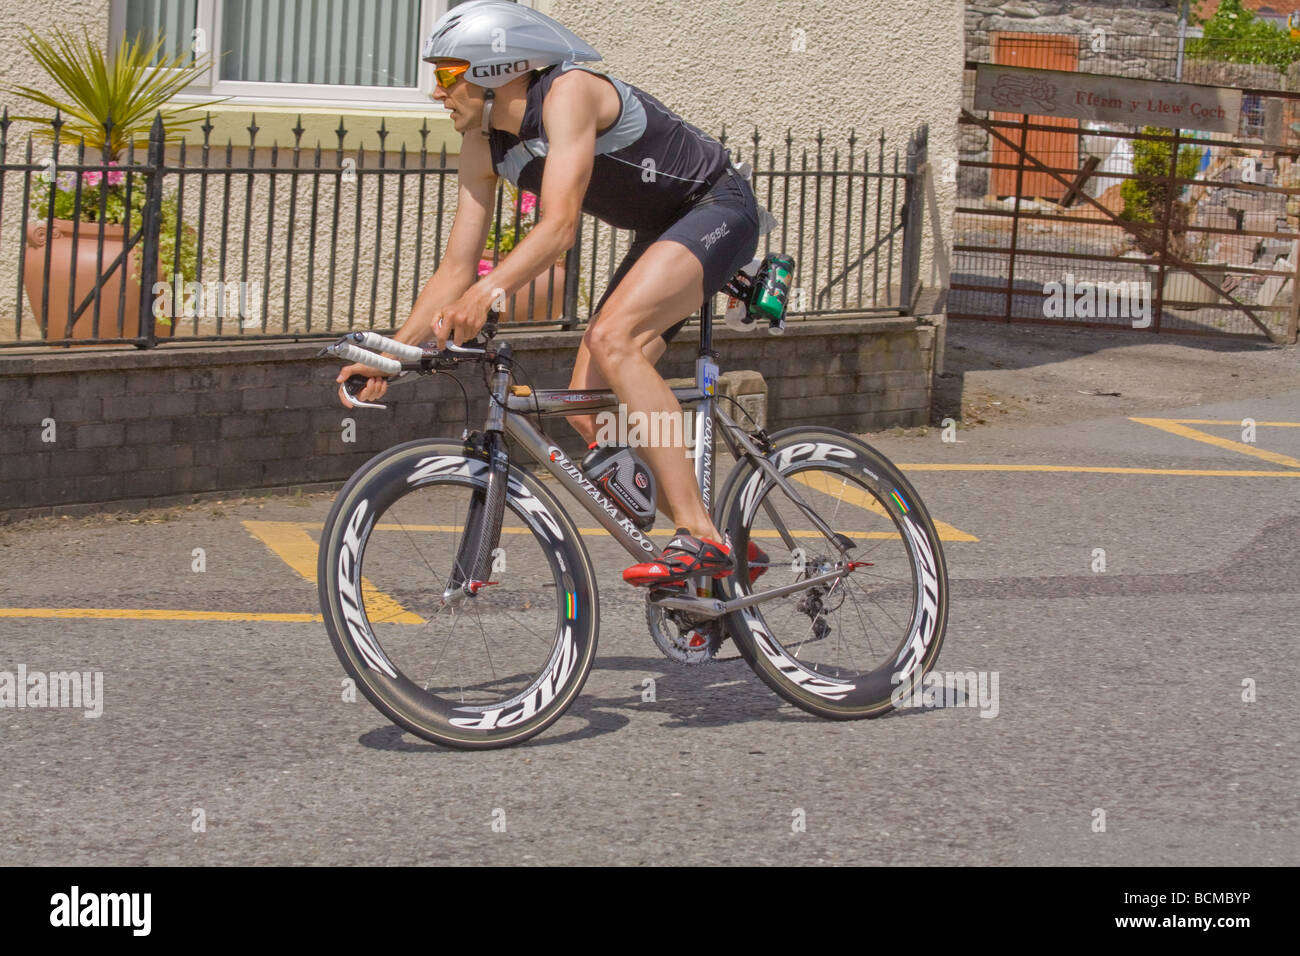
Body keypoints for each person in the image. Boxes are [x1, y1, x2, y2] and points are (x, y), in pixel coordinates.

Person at [337, 0, 760, 586]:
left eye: (446, 74)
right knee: (590, 412)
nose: (437, 93)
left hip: (716, 208)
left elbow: (559, 228)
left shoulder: (570, 92)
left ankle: (699, 535)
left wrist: (490, 290)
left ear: (495, 70)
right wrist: (390, 353)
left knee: (615, 341)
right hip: (660, 232)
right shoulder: (484, 144)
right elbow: (456, 267)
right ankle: (736, 549)